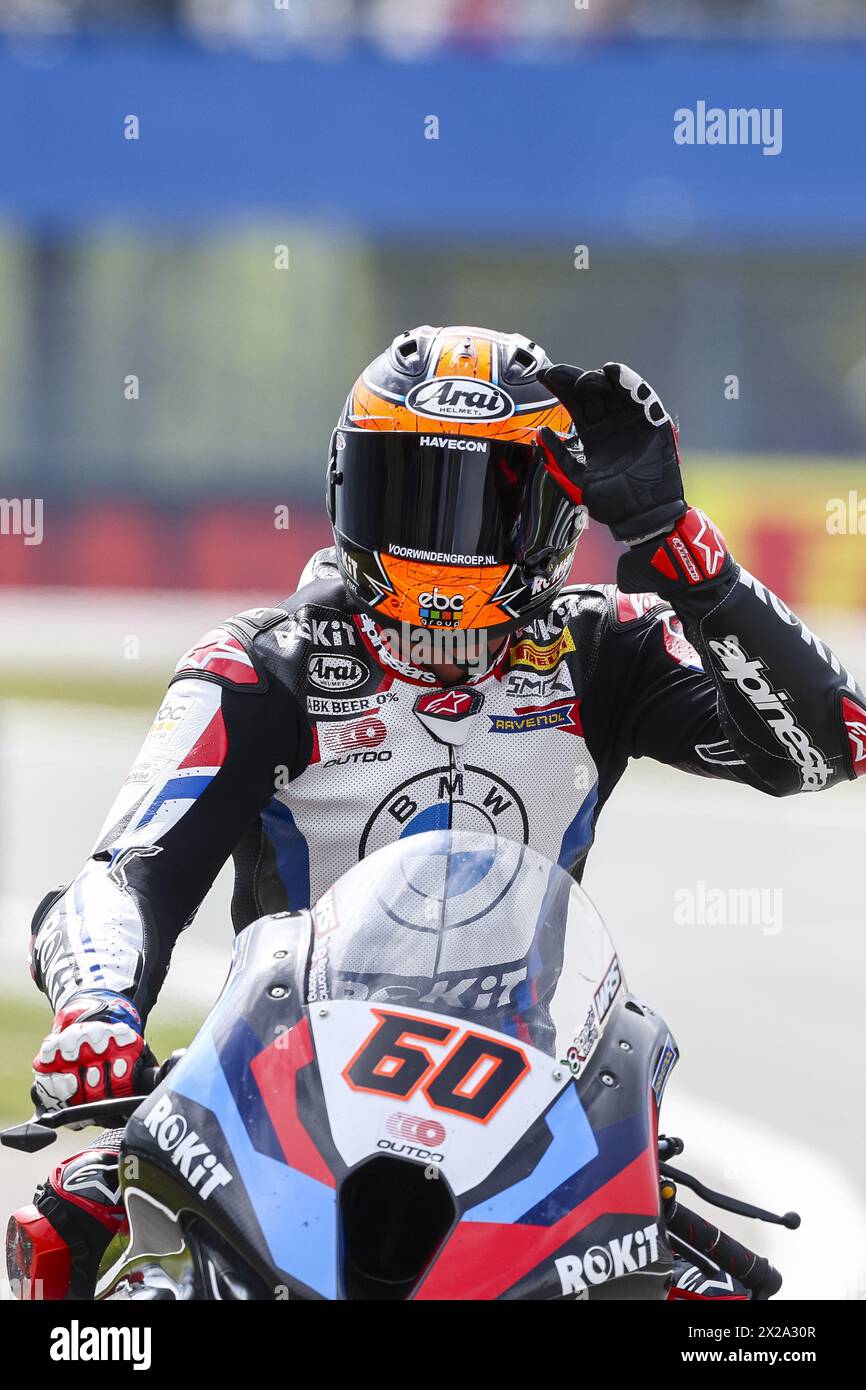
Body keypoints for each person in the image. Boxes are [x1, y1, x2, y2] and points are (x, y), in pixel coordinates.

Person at [9, 325, 865, 1299]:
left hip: (535, 1128)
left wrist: (679, 547)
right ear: (345, 487)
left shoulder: (602, 650)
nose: (439, 537)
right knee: (75, 1240)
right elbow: (124, 873)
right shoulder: (257, 665)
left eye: (479, 500)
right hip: (279, 1114)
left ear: (548, 510)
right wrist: (96, 1008)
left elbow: (828, 742)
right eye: (408, 489)